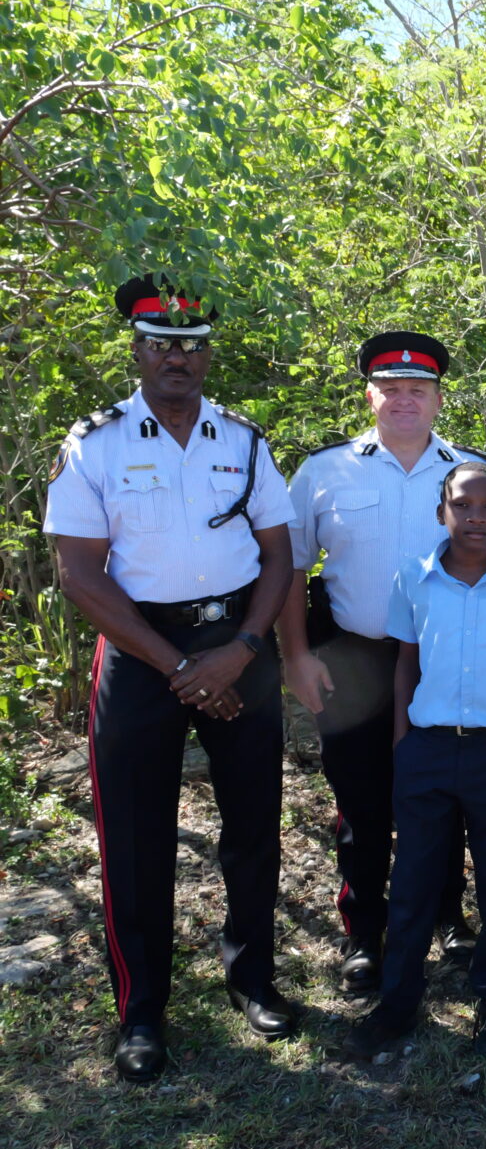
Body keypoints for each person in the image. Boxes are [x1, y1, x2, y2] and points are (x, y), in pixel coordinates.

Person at [44, 274, 297, 1082]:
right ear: (138, 350)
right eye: (161, 343)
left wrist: (245, 647)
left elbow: (280, 555)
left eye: (191, 345)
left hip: (237, 646)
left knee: (255, 824)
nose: (177, 358)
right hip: (140, 647)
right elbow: (80, 575)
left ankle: (252, 978)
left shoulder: (245, 441)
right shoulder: (95, 443)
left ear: (208, 354)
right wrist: (179, 666)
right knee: (135, 836)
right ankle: (142, 1011)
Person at [277, 332, 486, 994]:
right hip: (357, 660)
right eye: (392, 388)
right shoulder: (325, 471)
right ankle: (363, 933)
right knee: (362, 801)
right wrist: (294, 655)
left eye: (419, 390)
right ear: (370, 394)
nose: (405, 399)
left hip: (446, 660)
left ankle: (447, 916)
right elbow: (289, 568)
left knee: (449, 795)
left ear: (437, 400)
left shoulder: (472, 472)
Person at [343, 462, 486, 1059]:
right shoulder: (414, 578)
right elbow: (405, 662)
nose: (476, 517)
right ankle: (398, 1001)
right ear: (442, 511)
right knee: (413, 880)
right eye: (464, 505)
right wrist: (402, 740)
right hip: (428, 750)